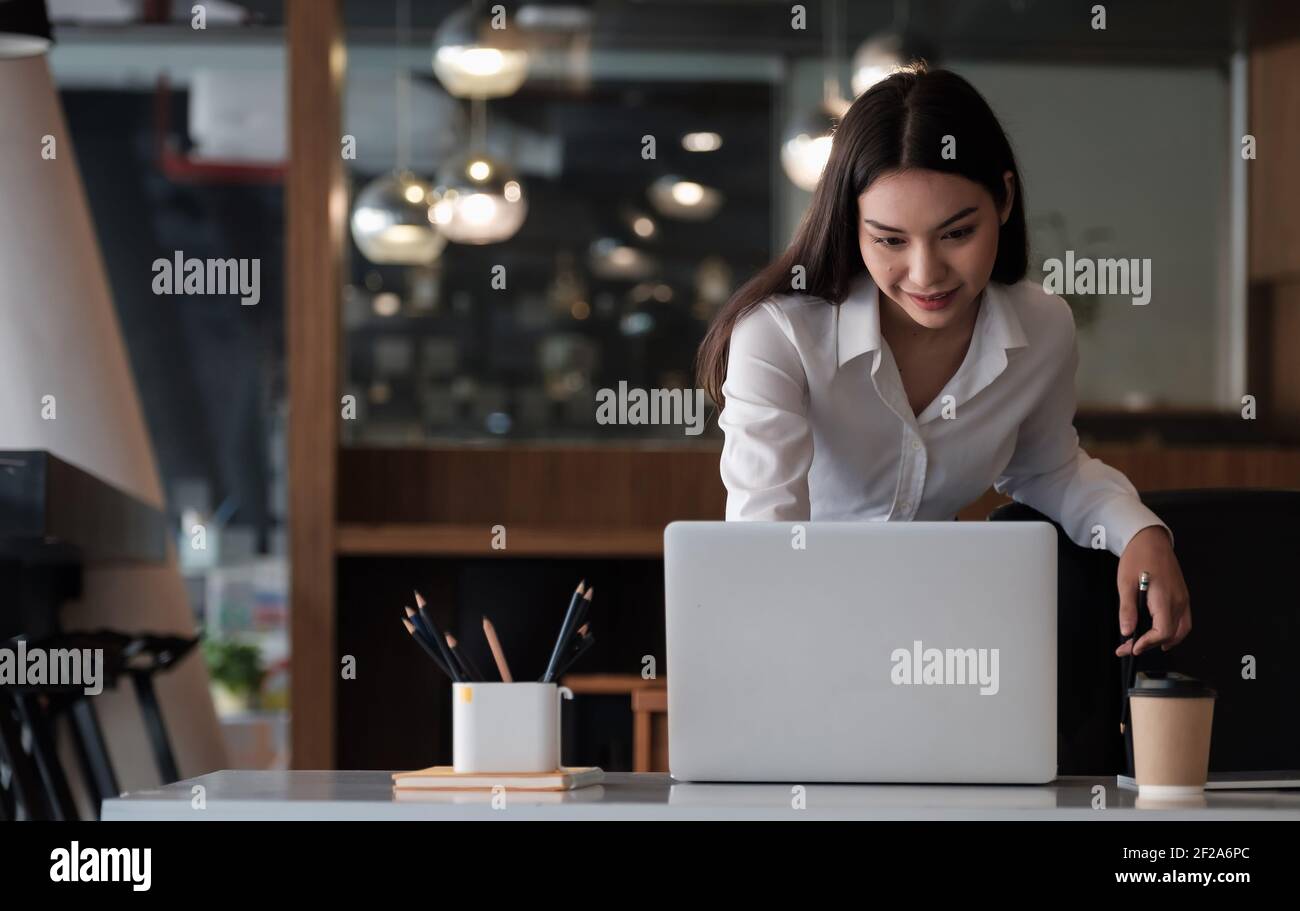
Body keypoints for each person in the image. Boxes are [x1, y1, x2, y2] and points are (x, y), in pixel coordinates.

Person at [695, 64, 1190, 658]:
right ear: (851, 226)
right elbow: (764, 546)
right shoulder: (779, 336)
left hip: (941, 641)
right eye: (890, 240)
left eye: (956, 234)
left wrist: (1139, 528)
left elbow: (1046, 469)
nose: (925, 274)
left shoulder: (1043, 327)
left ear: (1003, 199)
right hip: (799, 639)